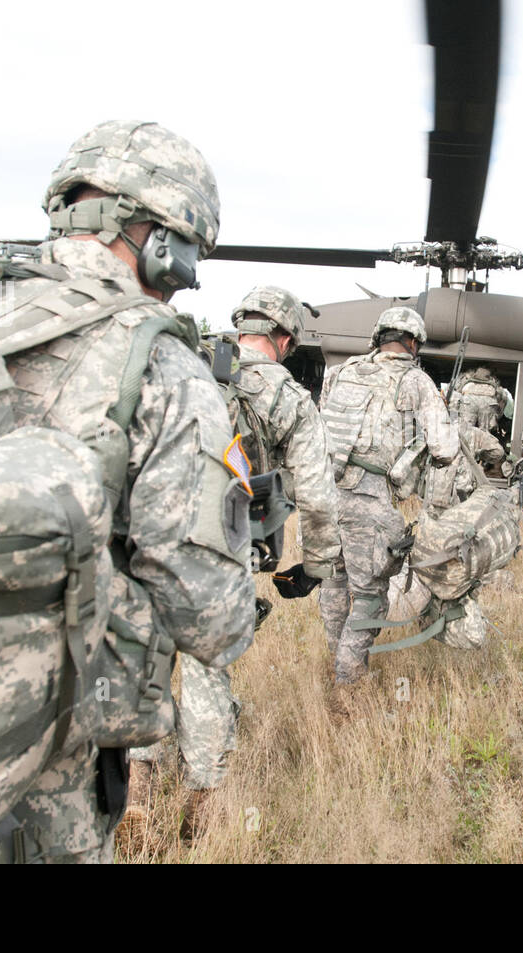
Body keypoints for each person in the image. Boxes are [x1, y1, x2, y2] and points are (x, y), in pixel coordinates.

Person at [0, 120, 256, 862]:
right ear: (159, 240)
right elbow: (212, 620)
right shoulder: (164, 368)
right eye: (191, 250)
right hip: (42, 765)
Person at [126, 284, 341, 838]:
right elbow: (317, 496)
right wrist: (315, 566)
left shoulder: (184, 363)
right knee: (205, 671)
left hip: (149, 533)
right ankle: (202, 806)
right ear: (285, 338)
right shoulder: (290, 398)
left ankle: (138, 793)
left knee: (147, 657)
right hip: (225, 543)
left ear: (241, 326)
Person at [318, 306, 459, 683]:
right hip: (370, 501)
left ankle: (336, 658)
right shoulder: (415, 381)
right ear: (412, 343)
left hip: (325, 494)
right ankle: (348, 678)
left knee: (333, 582)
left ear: (378, 336)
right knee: (369, 595)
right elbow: (445, 448)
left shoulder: (341, 372)